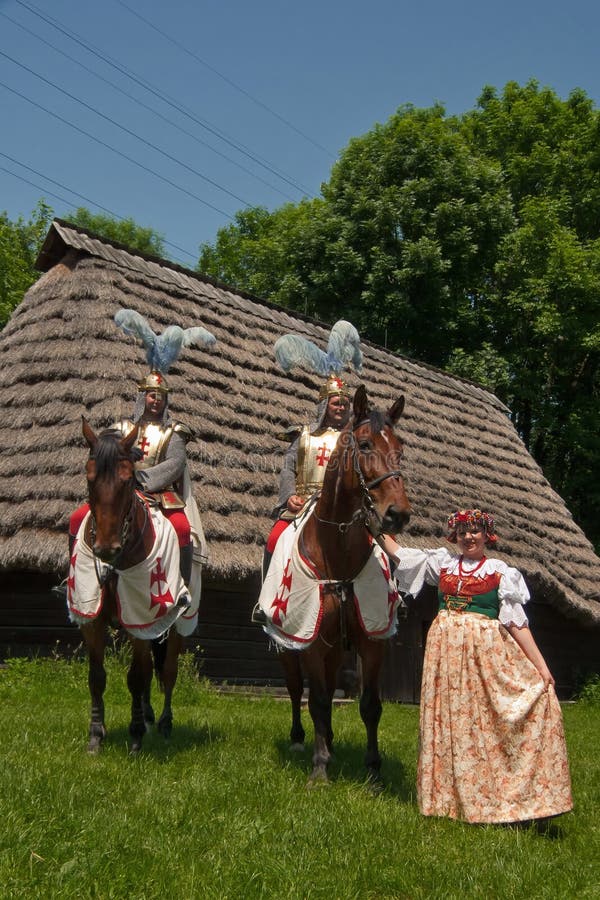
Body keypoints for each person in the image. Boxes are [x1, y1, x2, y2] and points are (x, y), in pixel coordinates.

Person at [378, 508, 573, 825]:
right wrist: (376, 528)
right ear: (454, 536)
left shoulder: (500, 572)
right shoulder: (442, 564)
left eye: (475, 531)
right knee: (452, 720)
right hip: (445, 653)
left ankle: (508, 799)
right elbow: (400, 553)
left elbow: (516, 623)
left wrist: (542, 667)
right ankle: (449, 800)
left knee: (487, 720)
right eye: (463, 531)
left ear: (486, 535)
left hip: (485, 655)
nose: (469, 537)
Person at [57, 370, 205, 594]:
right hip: (120, 492)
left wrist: (142, 480)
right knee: (78, 518)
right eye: (151, 395)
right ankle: (73, 578)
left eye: (160, 396)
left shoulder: (173, 432)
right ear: (142, 396)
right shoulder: (121, 429)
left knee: (181, 528)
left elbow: (176, 463)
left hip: (160, 495)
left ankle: (182, 589)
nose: (156, 401)